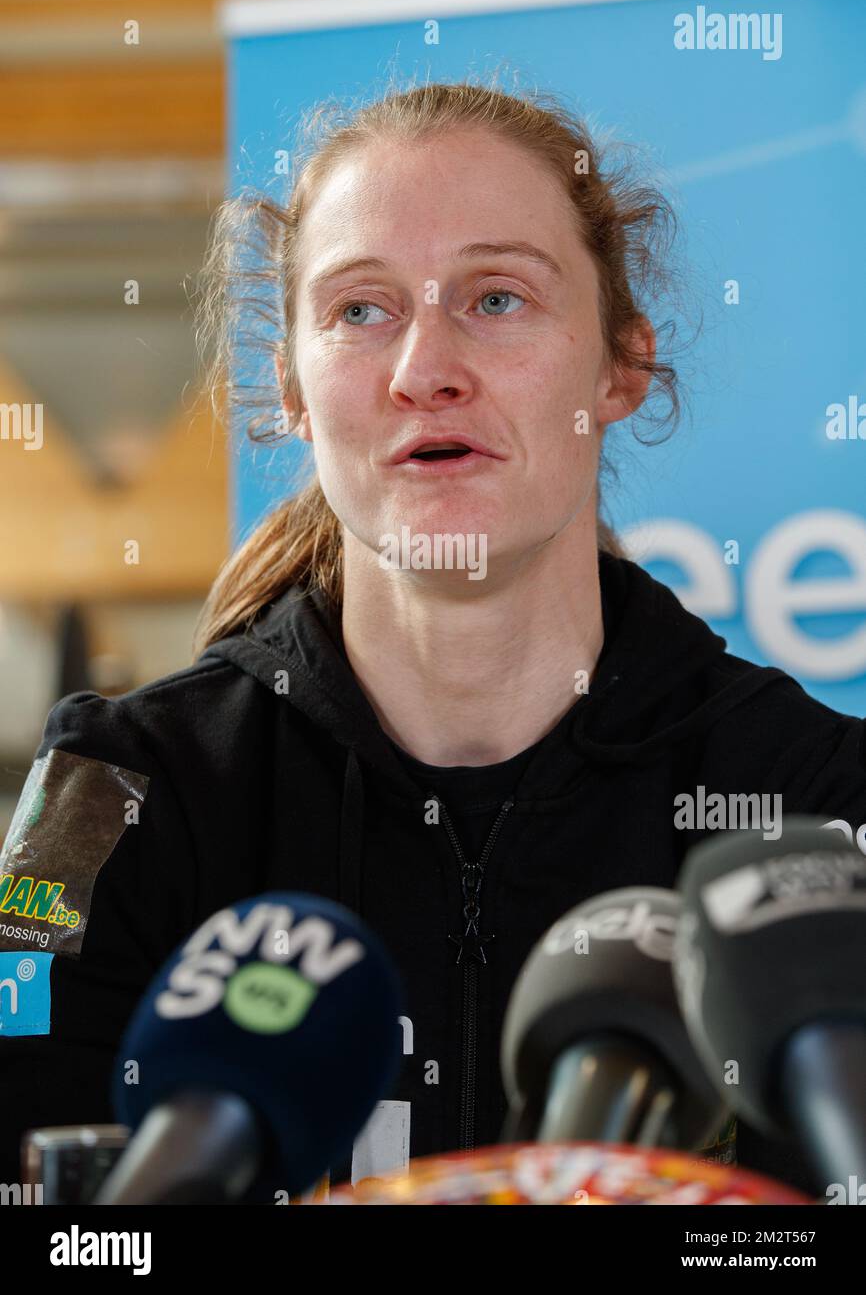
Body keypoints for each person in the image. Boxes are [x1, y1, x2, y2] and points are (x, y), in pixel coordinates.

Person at [1, 80, 863, 1199]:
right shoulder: (115, 795)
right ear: (292, 390)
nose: (423, 370)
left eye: (495, 298)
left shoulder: (816, 809)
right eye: (361, 309)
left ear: (618, 366)